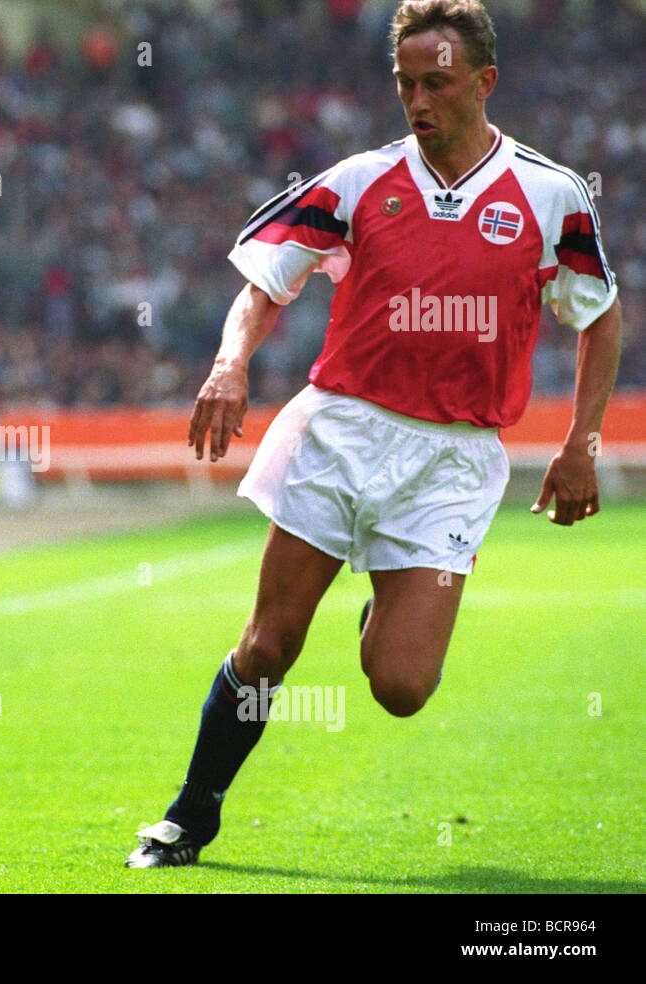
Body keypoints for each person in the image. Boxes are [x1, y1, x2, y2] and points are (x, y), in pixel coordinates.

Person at [127, 0, 621, 868]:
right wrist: (228, 363)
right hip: (342, 433)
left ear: (484, 82)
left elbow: (599, 316)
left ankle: (383, 606)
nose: (418, 100)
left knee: (400, 687)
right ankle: (190, 814)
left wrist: (581, 441)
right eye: (405, 84)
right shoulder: (357, 180)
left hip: (455, 461)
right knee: (270, 644)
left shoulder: (552, 197)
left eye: (437, 83)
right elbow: (264, 283)